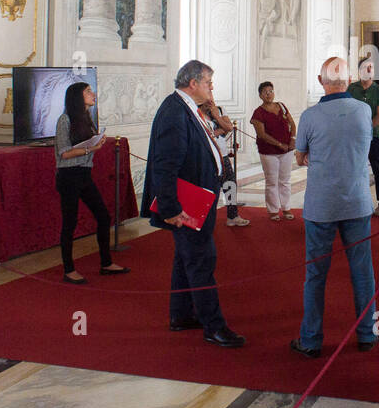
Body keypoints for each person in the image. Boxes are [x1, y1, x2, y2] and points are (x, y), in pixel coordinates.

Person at [141, 60, 245, 348]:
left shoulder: (188, 107)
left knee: (184, 258)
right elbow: (165, 165)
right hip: (187, 203)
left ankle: (182, 314)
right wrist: (171, 209)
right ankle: (214, 326)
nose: (212, 87)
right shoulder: (174, 111)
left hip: (199, 198)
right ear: (193, 83)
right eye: (209, 82)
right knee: (201, 259)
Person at [290, 57, 378, 357]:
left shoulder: (310, 116)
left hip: (321, 205)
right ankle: (368, 333)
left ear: (320, 80)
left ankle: (311, 340)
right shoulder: (363, 110)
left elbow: (299, 156)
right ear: (349, 79)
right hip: (356, 201)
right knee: (362, 270)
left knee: (315, 275)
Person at [54, 82, 129, 284]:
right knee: (70, 223)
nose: (93, 94)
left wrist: (97, 142)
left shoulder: (87, 119)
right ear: (77, 97)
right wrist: (90, 149)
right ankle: (69, 270)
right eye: (88, 91)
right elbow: (65, 153)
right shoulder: (65, 119)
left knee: (103, 216)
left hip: (84, 175)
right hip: (69, 176)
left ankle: (106, 263)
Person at [346, 56, 379, 217]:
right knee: (353, 168)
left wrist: (366, 129)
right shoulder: (351, 89)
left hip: (372, 136)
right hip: (353, 137)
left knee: (377, 169)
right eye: (366, 67)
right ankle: (353, 201)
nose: (369, 70)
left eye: (371, 67)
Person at [199, 98, 250, 228]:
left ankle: (232, 216)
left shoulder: (220, 110)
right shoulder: (196, 112)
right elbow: (203, 135)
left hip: (223, 155)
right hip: (206, 157)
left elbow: (229, 127)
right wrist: (220, 129)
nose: (210, 100)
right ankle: (204, 220)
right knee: (209, 189)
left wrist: (216, 116)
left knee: (230, 184)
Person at [250, 81, 297, 220]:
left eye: (271, 91)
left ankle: (286, 208)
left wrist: (293, 139)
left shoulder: (281, 106)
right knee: (272, 181)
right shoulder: (258, 113)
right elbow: (261, 134)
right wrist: (278, 144)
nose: (269, 94)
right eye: (265, 92)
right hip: (269, 152)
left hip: (287, 150)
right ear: (260, 95)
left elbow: (292, 124)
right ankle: (273, 210)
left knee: (285, 180)